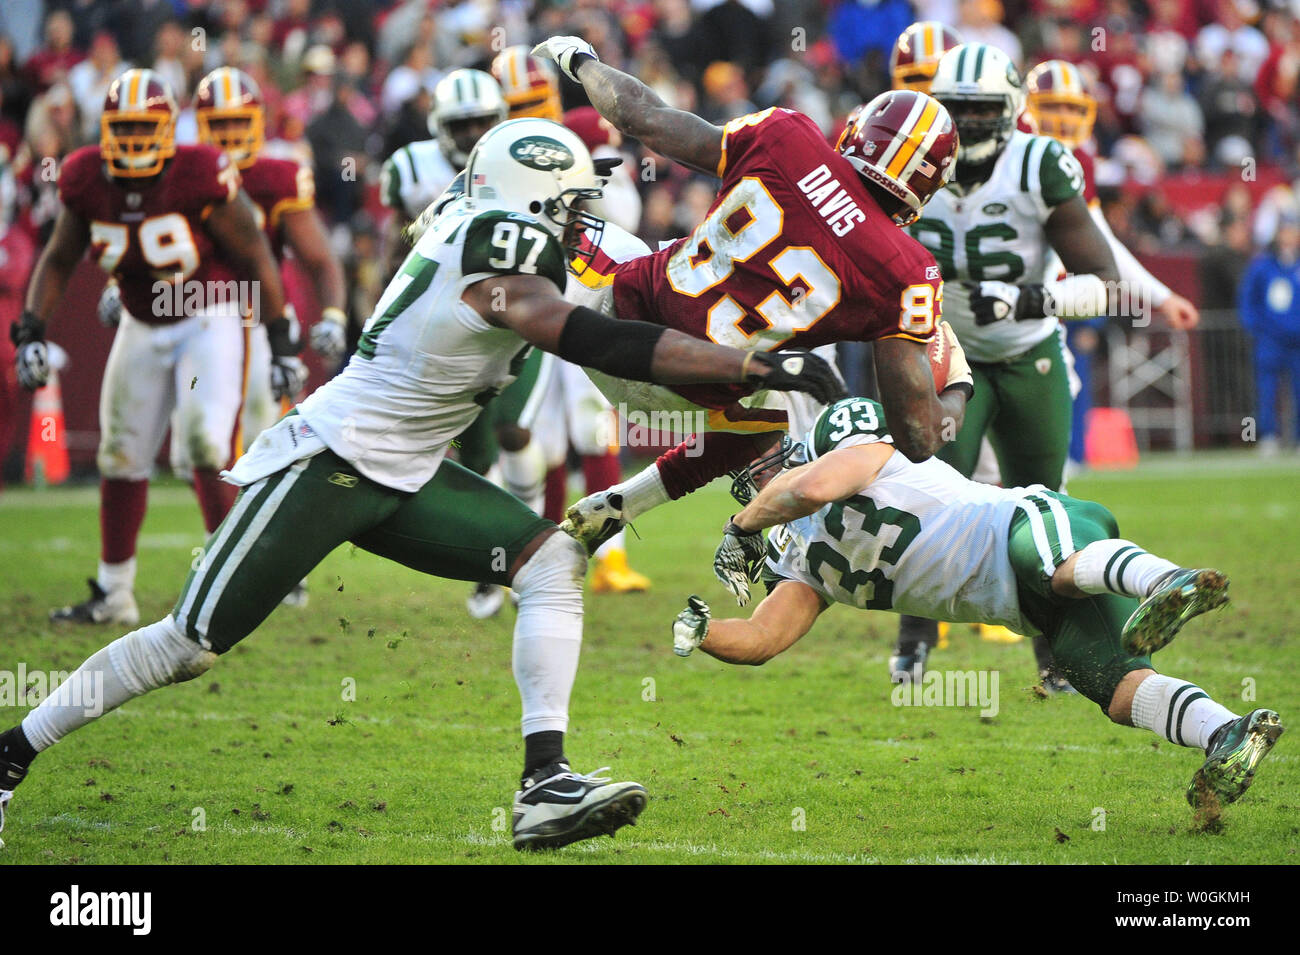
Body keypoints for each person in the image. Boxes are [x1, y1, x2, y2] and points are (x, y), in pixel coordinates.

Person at [0, 118, 844, 851]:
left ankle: (543, 783)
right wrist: (747, 363)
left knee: (549, 561)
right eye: (572, 202)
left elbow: (601, 308)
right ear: (533, 198)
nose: (583, 218)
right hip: (331, 460)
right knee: (189, 644)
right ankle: (11, 754)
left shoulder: (477, 223)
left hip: (408, 471)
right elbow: (586, 336)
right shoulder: (498, 242)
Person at [672, 396, 1284, 814]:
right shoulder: (802, 561)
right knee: (1116, 688)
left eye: (764, 460)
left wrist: (742, 524)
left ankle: (1169, 581)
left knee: (1059, 570)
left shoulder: (844, 442)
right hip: (1023, 607)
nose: (761, 472)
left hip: (1024, 523)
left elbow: (810, 485)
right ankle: (1227, 732)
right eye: (752, 470)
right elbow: (763, 638)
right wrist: (704, 633)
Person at [531, 36, 971, 556]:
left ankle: (448, 225)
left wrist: (581, 60)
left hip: (612, 325)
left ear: (857, 131)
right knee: (779, 397)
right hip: (679, 400)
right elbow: (920, 436)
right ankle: (630, 502)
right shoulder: (907, 272)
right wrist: (959, 385)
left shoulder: (787, 136)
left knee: (544, 207)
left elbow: (641, 116)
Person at [12, 69, 293, 627]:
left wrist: (280, 335)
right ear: (106, 129)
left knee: (206, 445)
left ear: (170, 129)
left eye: (147, 128)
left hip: (206, 317)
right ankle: (114, 592)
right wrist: (31, 328)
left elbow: (256, 254)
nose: (136, 141)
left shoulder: (198, 171)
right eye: (125, 129)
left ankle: (231, 582)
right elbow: (61, 256)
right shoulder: (85, 176)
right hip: (142, 320)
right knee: (121, 452)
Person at [889, 43, 1121, 689]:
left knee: (1043, 506)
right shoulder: (909, 160)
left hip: (1026, 351)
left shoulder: (1040, 162)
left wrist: (1027, 297)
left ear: (1013, 108)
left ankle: (1056, 654)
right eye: (955, 108)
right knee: (929, 497)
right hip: (944, 354)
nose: (967, 122)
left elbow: (1106, 282)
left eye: (983, 108)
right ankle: (914, 638)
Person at [1238, 214, 1300, 454]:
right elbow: (1248, 300)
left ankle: (1296, 438)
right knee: (1266, 390)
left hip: (1297, 341)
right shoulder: (1262, 265)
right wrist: (1257, 328)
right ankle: (1267, 436)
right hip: (1270, 340)